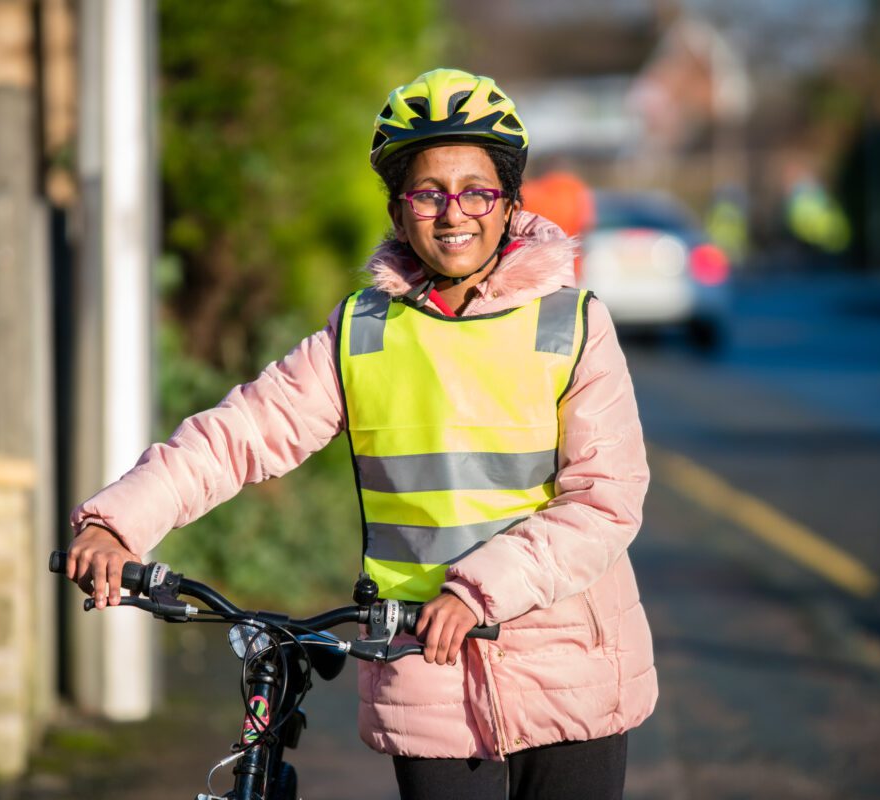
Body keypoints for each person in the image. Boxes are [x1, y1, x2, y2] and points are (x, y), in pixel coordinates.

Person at [63, 67, 657, 800]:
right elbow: (241, 433)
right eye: (428, 193)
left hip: (569, 665)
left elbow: (606, 501)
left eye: (476, 189)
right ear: (397, 208)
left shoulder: (572, 323)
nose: (453, 213)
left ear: (508, 203)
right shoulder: (362, 333)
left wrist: (479, 592)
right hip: (427, 669)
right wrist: (119, 523)